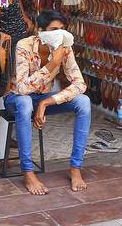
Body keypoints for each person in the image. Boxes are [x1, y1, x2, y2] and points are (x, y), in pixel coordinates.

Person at [6, 10, 90, 195]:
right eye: (54, 29)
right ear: (40, 30)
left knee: (83, 102)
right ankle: (28, 172)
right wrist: (52, 64)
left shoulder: (64, 47)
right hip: (16, 100)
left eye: (62, 29)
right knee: (26, 102)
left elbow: (79, 83)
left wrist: (47, 103)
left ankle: (75, 168)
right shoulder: (24, 45)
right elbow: (21, 88)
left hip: (43, 99)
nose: (59, 34)